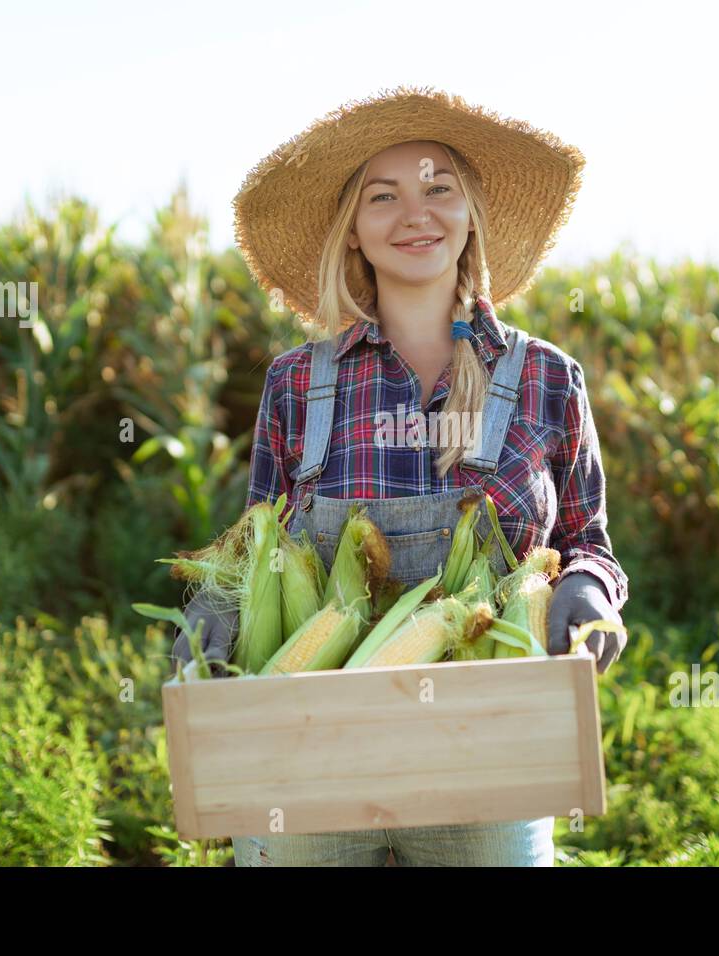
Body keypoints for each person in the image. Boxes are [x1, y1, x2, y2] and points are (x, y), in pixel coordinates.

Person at [172, 86, 629, 866]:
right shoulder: (297, 384)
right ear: (353, 229)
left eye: (438, 188)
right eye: (383, 196)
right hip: (307, 763)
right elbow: (257, 551)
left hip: (493, 762)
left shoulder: (550, 380)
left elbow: (587, 543)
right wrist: (210, 610)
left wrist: (588, 589)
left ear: (472, 212)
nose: (415, 213)